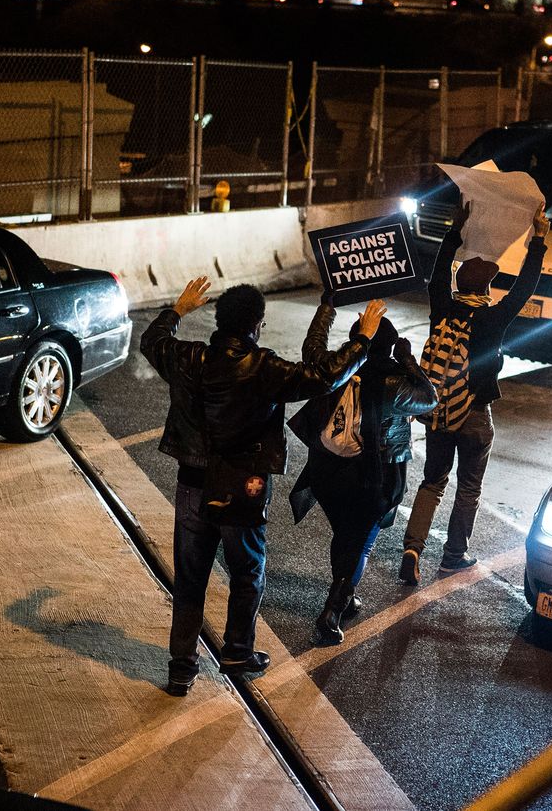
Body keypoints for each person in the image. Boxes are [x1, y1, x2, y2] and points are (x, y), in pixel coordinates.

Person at [141, 276, 386, 695]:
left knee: (190, 578)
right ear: (256, 325)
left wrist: (178, 309)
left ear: (219, 321)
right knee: (247, 571)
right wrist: (363, 340)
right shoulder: (264, 367)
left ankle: (181, 667)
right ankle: (238, 650)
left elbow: (153, 339)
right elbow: (324, 374)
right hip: (244, 486)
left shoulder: (187, 357)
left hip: (193, 483)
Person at [399, 201, 550, 584]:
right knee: (469, 486)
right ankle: (453, 555)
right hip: (475, 415)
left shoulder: (442, 308)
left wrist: (455, 230)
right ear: (485, 289)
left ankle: (412, 548)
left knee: (432, 481)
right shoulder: (492, 317)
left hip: (436, 412)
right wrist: (538, 240)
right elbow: (524, 288)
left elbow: (436, 277)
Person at [288, 299, 437, 645]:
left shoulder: (335, 367)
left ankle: (347, 593)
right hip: (373, 476)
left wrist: (327, 305)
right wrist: (409, 361)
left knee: (344, 534)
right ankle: (333, 609)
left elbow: (312, 348)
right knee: (362, 542)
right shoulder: (395, 384)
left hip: (325, 470)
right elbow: (430, 399)